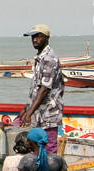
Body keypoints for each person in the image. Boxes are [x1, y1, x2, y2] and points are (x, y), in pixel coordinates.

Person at [20, 24, 64, 152]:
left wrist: (29, 113)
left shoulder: (49, 59)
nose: (35, 39)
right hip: (39, 113)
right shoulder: (40, 58)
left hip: (49, 113)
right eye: (33, 37)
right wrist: (26, 108)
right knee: (37, 148)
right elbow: (36, 88)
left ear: (46, 37)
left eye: (38, 36)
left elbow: (44, 89)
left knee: (49, 148)